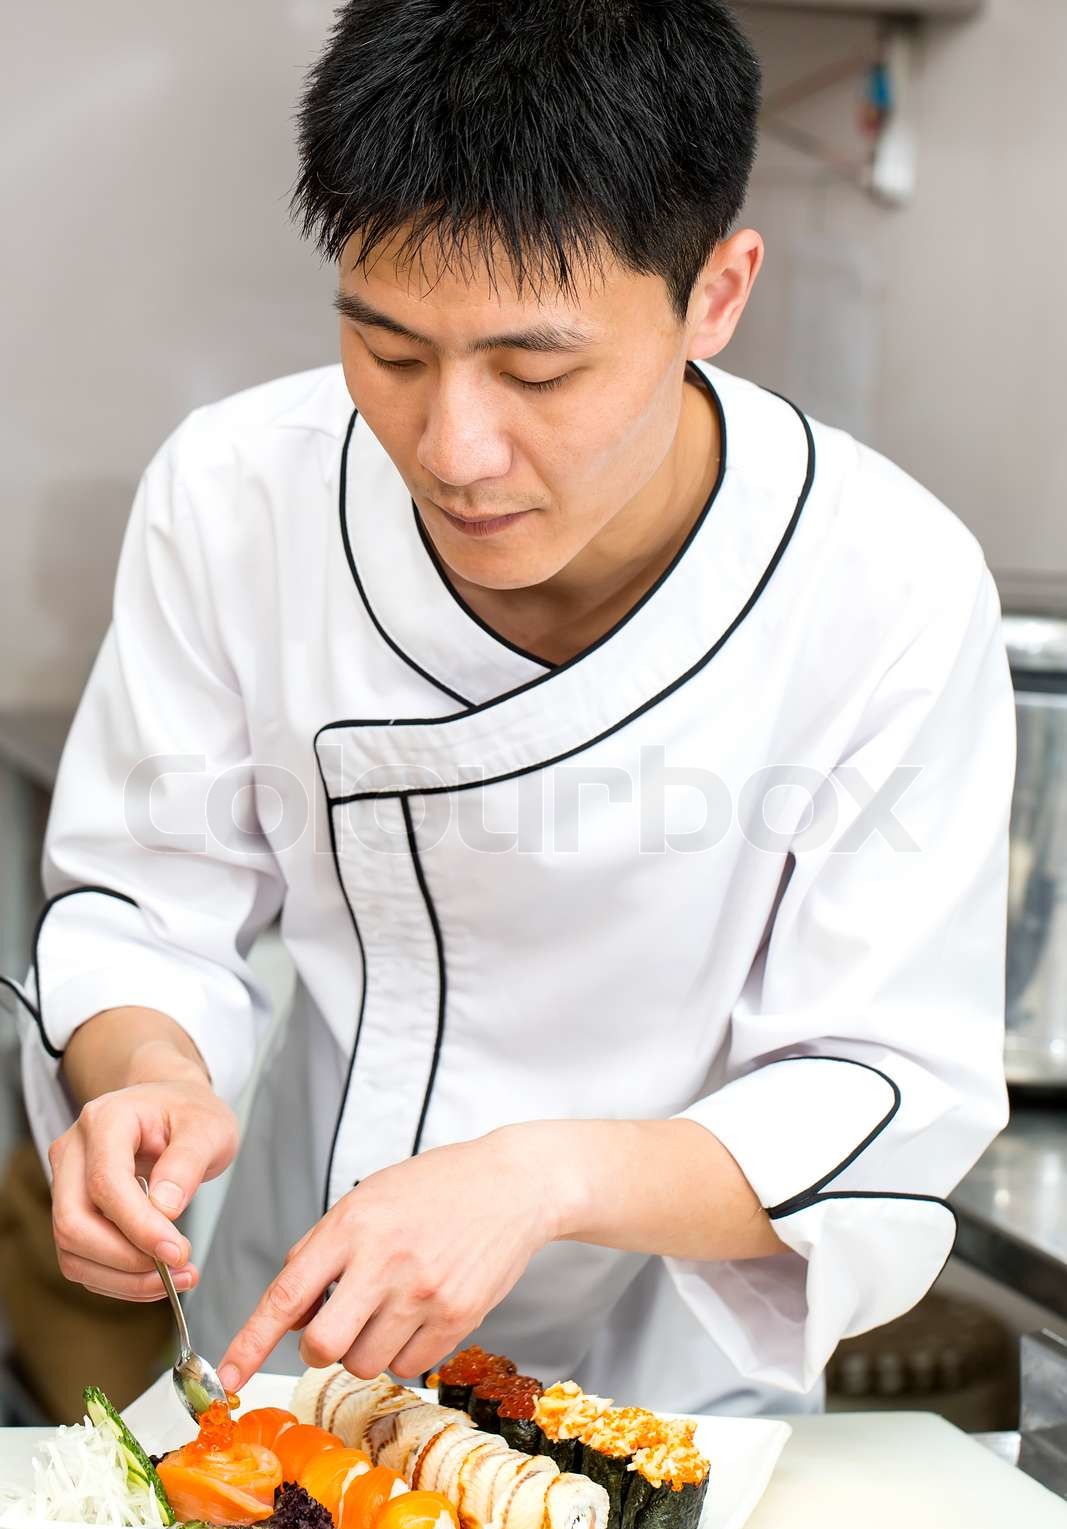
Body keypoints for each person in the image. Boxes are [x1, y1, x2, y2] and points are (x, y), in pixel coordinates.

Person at [3, 0, 1013, 1418]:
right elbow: (145, 906)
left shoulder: (886, 586)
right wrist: (142, 1077)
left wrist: (543, 1178)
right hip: (297, 1333)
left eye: (538, 371)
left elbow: (881, 1076)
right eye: (392, 354)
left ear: (716, 296)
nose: (453, 448)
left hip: (671, 1378)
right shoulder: (239, 494)